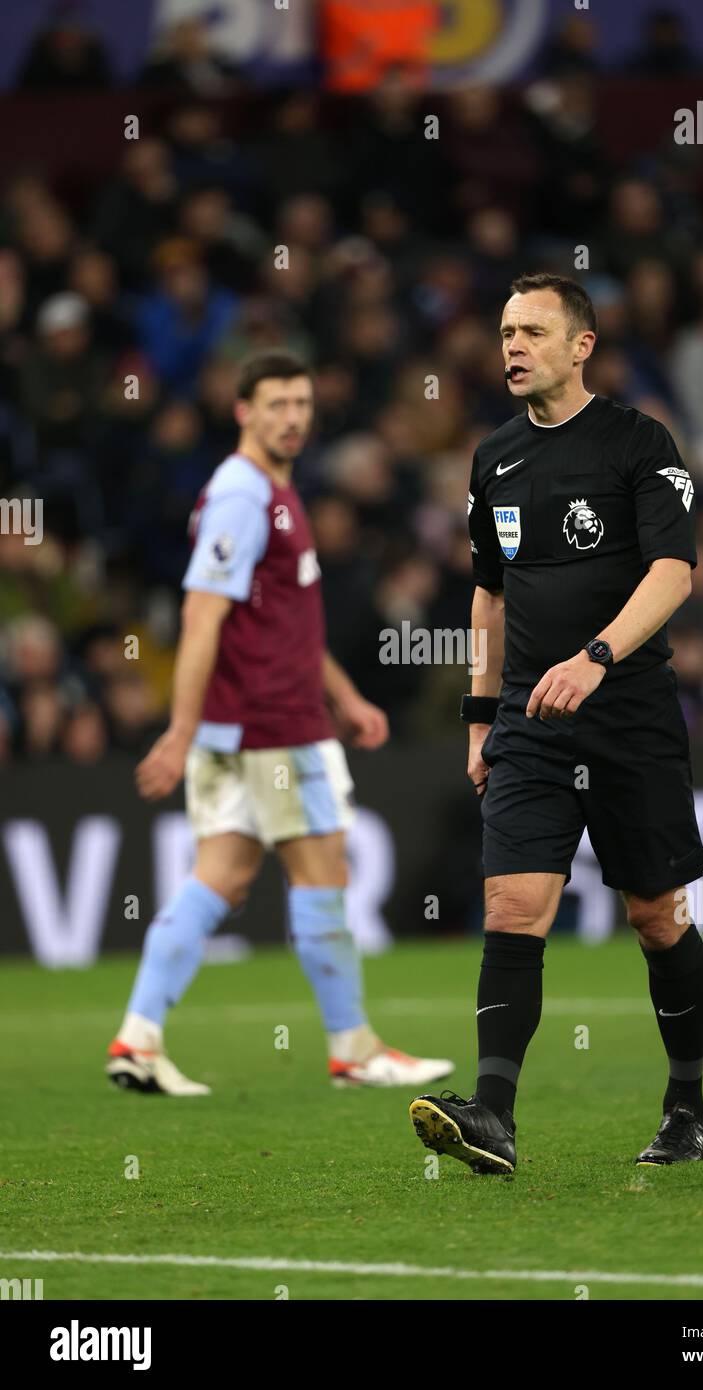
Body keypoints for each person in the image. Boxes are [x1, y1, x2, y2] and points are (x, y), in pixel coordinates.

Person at [409, 272, 703, 1173]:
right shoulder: (492, 456)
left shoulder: (638, 442)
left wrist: (598, 657)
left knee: (655, 917)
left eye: (532, 332)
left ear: (581, 346)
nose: (511, 346)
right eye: (505, 331)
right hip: (529, 721)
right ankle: (492, 1115)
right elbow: (488, 597)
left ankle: (684, 1107)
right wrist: (477, 723)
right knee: (511, 905)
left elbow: (673, 573)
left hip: (628, 713)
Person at [106, 350, 452, 1094]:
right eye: (275, 404)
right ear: (243, 411)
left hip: (256, 724)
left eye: (301, 402)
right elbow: (202, 617)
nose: (292, 417)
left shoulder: (273, 492)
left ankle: (137, 1038)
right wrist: (177, 728)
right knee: (324, 870)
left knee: (222, 878)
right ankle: (353, 1051)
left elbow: (284, 625)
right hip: (273, 728)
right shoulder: (243, 496)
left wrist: (346, 696)